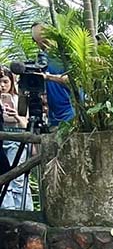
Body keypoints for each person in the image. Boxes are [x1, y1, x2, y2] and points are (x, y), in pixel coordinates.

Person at [0, 66, 33, 210]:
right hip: (2, 142)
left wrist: (16, 116)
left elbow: (26, 124)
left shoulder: (19, 99)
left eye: (5, 82)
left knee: (17, 178)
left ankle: (24, 210)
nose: (2, 86)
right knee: (3, 177)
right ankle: (8, 209)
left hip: (16, 141)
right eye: (0, 82)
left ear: (11, 82)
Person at [31, 22, 74, 125]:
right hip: (53, 116)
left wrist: (48, 77)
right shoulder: (42, 60)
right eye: (37, 42)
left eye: (45, 41)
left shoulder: (67, 55)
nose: (42, 45)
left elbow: (74, 81)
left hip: (71, 112)